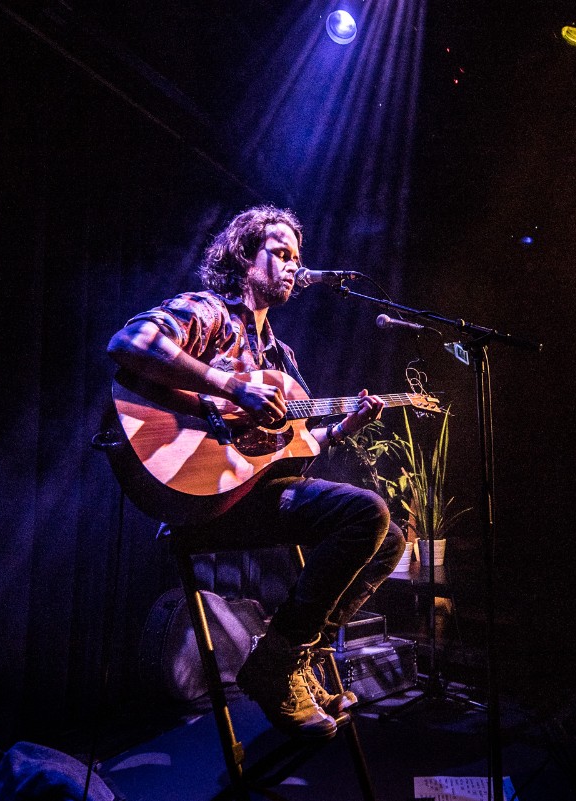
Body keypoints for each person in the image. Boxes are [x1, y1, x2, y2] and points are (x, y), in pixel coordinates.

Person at [106, 204, 407, 740]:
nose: (294, 266)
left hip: (256, 495)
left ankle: (296, 659)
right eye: (281, 253)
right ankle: (277, 664)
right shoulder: (209, 313)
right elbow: (130, 344)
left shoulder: (281, 358)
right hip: (203, 499)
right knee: (367, 512)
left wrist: (344, 428)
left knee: (390, 539)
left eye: (297, 257)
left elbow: (290, 448)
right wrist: (231, 388)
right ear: (246, 256)